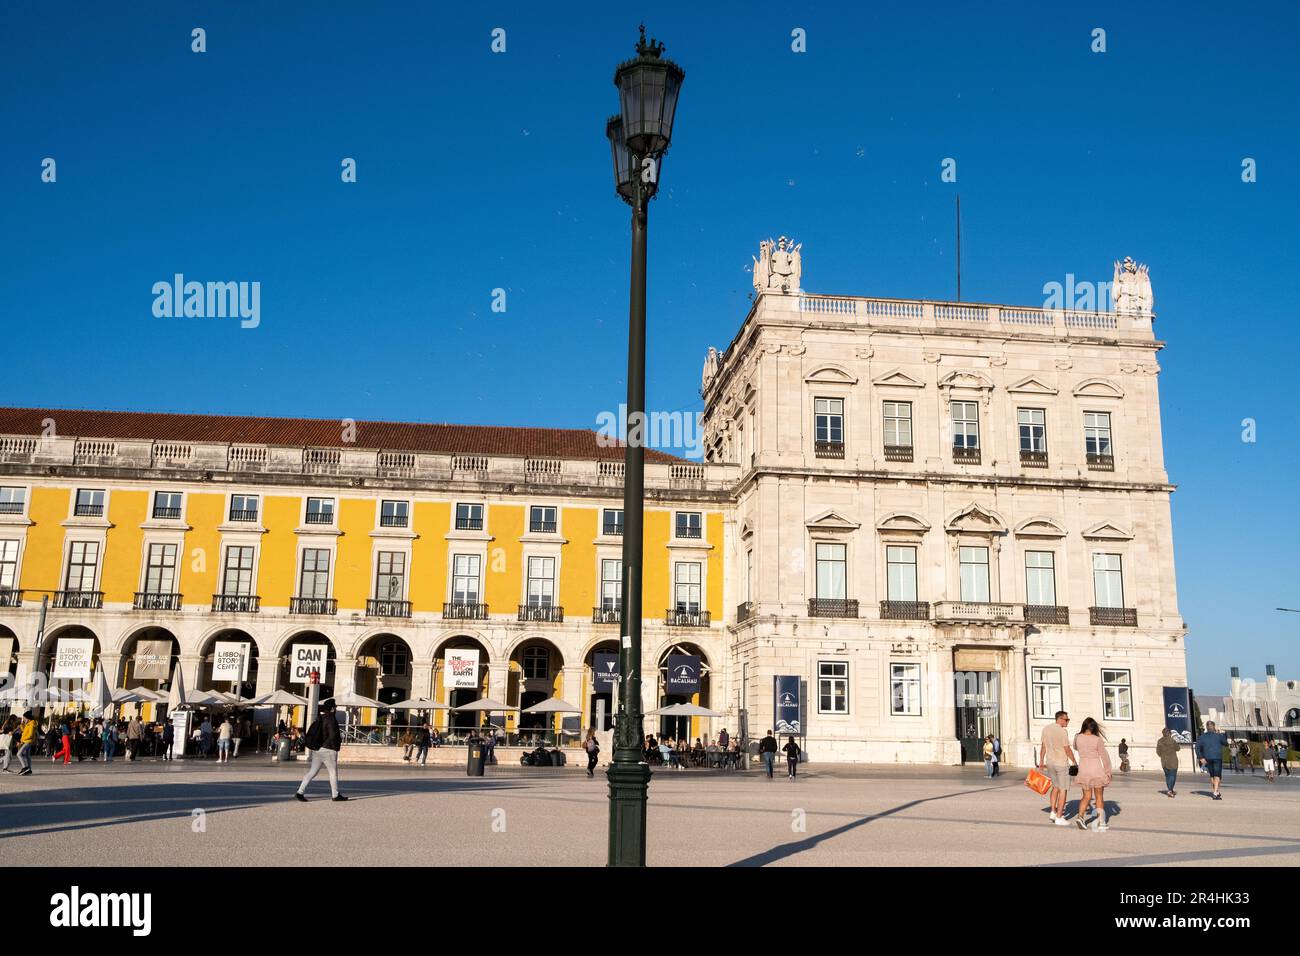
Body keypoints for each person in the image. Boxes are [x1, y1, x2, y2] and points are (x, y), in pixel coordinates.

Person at [295, 698, 346, 802]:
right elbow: (332, 736)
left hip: (317, 749)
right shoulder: (331, 719)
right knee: (333, 772)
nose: (335, 709)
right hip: (328, 750)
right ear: (332, 708)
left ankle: (300, 792)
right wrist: (335, 747)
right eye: (335, 707)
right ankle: (335, 795)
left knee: (312, 772)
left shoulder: (320, 718)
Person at [1039, 710, 1079, 826]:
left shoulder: (1046, 729)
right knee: (1063, 789)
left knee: (1055, 787)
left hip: (1050, 762)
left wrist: (1041, 761)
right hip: (1061, 763)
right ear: (1060, 719)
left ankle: (1053, 811)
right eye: (1067, 719)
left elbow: (1043, 747)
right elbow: (1067, 749)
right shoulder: (1063, 732)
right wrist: (1075, 762)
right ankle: (1059, 817)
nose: (1068, 722)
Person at [1073, 717, 1112, 830]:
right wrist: (1108, 771)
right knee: (1099, 796)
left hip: (1084, 769)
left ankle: (1080, 817)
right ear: (1094, 727)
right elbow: (1104, 756)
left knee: (1086, 796)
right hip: (1096, 770)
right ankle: (1101, 822)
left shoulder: (1077, 737)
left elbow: (1075, 747)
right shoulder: (1097, 739)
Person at [1195, 720, 1228, 801]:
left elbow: (1197, 747)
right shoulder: (1219, 736)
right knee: (1217, 775)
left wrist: (1201, 757)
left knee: (1212, 776)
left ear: (1206, 727)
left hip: (1207, 758)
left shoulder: (1202, 737)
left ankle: (1216, 791)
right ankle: (1215, 792)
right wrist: (1222, 734)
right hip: (1217, 757)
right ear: (1214, 727)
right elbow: (1226, 743)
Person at [1156, 727, 1180, 797]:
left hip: (1164, 761)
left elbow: (1158, 752)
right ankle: (1170, 790)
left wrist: (1163, 756)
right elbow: (1178, 748)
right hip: (1173, 761)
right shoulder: (1172, 740)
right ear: (1169, 733)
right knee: (1173, 776)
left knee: (1167, 776)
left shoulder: (1159, 741)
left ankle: (1170, 790)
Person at [15, 711, 37, 775]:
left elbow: (30, 734)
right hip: (26, 741)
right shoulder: (28, 724)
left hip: (27, 741)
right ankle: (29, 769)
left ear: (28, 718)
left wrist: (22, 740)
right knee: (27, 756)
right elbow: (25, 732)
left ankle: (25, 768)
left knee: (19, 754)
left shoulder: (31, 724)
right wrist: (22, 726)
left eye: (24, 718)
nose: (23, 719)